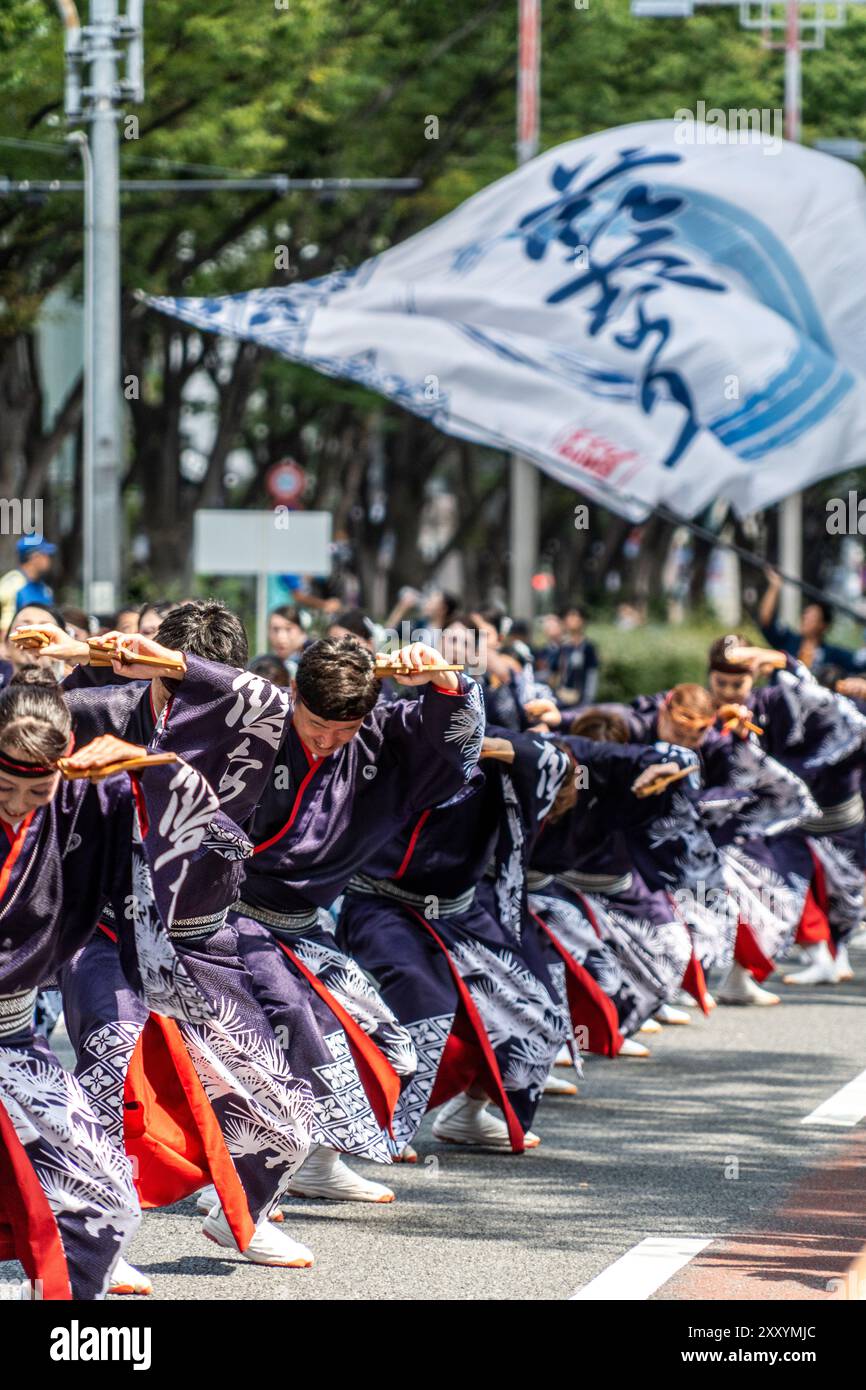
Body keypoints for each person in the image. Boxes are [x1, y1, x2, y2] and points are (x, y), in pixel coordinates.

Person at [0, 667, 277, 1299]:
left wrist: (157, 767)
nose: (17, 805)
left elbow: (218, 836)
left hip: (12, 1034)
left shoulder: (92, 798)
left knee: (106, 1197)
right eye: (4, 787)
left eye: (33, 791)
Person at [337, 727, 575, 1154]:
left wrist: (500, 749)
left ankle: (466, 1115)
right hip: (382, 903)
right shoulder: (400, 730)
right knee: (428, 1015)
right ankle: (375, 1127)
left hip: (461, 910)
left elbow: (552, 756)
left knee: (538, 1013)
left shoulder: (494, 746)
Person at [758, 567, 863, 673]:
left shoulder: (832, 655)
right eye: (805, 615)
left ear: (823, 625)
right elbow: (767, 620)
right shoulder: (789, 640)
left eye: (812, 617)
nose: (805, 619)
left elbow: (860, 661)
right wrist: (774, 586)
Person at [0, 536, 57, 636]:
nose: (49, 559)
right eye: (45, 554)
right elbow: (5, 630)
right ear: (34, 557)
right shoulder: (12, 585)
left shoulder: (45, 588)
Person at [266, 604, 307, 678]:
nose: (281, 637)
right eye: (276, 629)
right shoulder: (261, 666)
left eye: (288, 629)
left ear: (302, 632)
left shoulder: (312, 665)